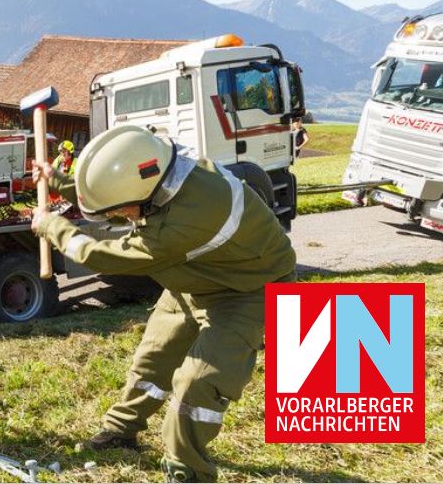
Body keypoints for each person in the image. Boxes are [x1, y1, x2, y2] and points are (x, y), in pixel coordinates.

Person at [30, 125, 295, 482]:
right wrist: (62, 181)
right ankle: (120, 432)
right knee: (153, 358)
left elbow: (101, 256)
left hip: (248, 290)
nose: (123, 216)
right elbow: (122, 199)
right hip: (195, 276)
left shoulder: (186, 222)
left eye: (125, 209)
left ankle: (188, 470)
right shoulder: (164, 172)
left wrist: (52, 228)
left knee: (197, 383)